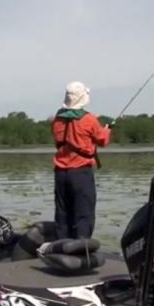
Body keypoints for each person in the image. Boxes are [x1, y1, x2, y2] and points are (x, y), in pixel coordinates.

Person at [51, 81, 111, 239]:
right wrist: (106, 130)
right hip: (80, 173)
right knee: (83, 214)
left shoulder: (56, 119)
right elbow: (102, 140)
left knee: (62, 214)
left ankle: (62, 248)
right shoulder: (89, 119)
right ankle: (81, 249)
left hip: (60, 173)